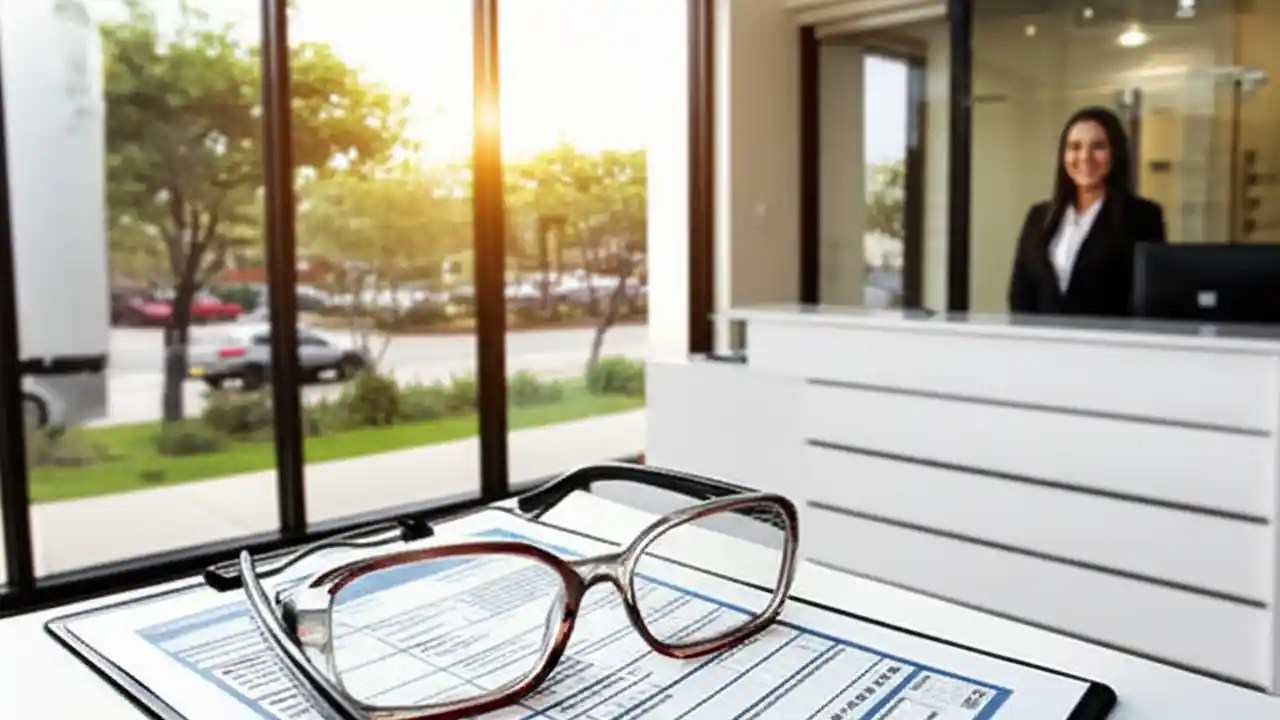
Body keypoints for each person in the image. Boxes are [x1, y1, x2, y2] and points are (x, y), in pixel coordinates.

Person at [1007, 106, 1166, 316]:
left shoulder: (1142, 216)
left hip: (1107, 344)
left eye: (1098, 146)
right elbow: (1020, 295)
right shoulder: (1039, 216)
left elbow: (1147, 300)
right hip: (1044, 344)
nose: (1085, 157)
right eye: (1075, 147)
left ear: (1115, 153)